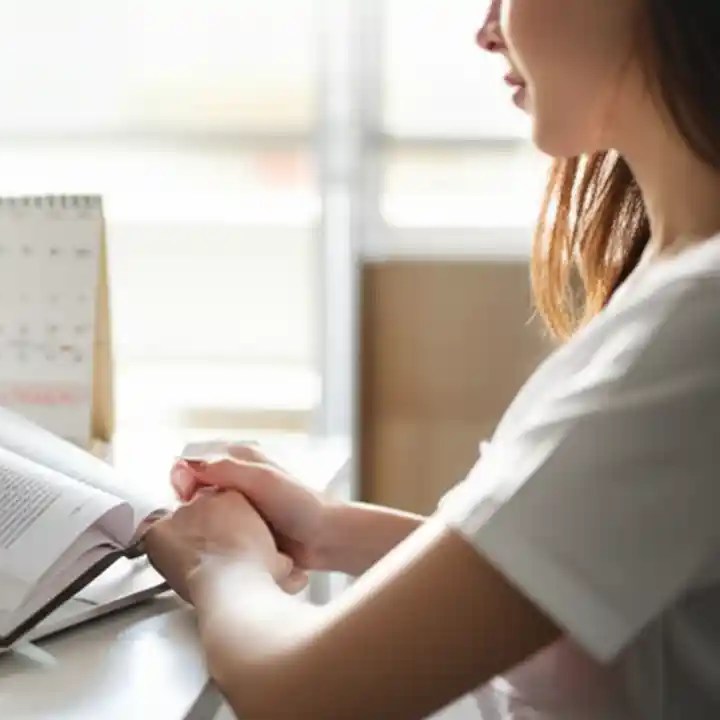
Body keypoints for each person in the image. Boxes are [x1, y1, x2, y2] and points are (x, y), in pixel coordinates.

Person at [143, 0, 720, 717]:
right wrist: (328, 528)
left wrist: (219, 564)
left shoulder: (698, 331)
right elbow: (566, 577)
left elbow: (303, 694)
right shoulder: (677, 286)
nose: (487, 30)